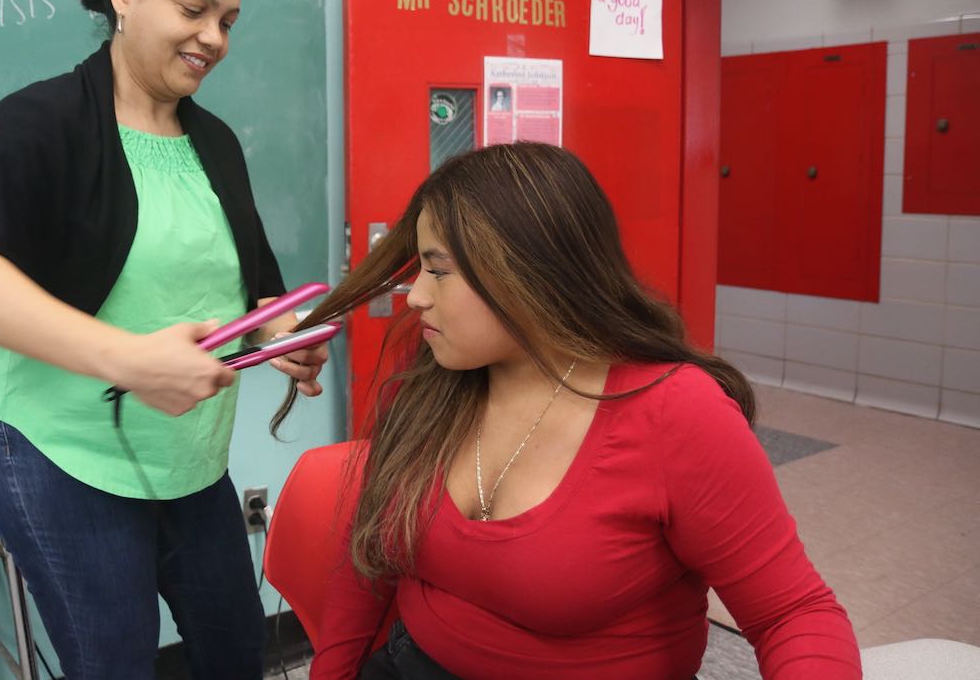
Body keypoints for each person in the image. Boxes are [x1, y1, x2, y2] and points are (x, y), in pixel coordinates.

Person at [0, 0, 328, 680]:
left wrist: (279, 334)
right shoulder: (40, 122)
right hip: (57, 453)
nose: (214, 39)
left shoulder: (215, 142)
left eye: (229, 22)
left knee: (236, 651)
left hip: (186, 459)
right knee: (115, 663)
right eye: (194, 9)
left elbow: (250, 286)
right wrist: (129, 361)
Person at [273, 143, 860, 679]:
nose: (418, 296)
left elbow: (794, 613)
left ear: (531, 274)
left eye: (440, 270)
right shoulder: (434, 379)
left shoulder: (677, 413)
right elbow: (368, 556)